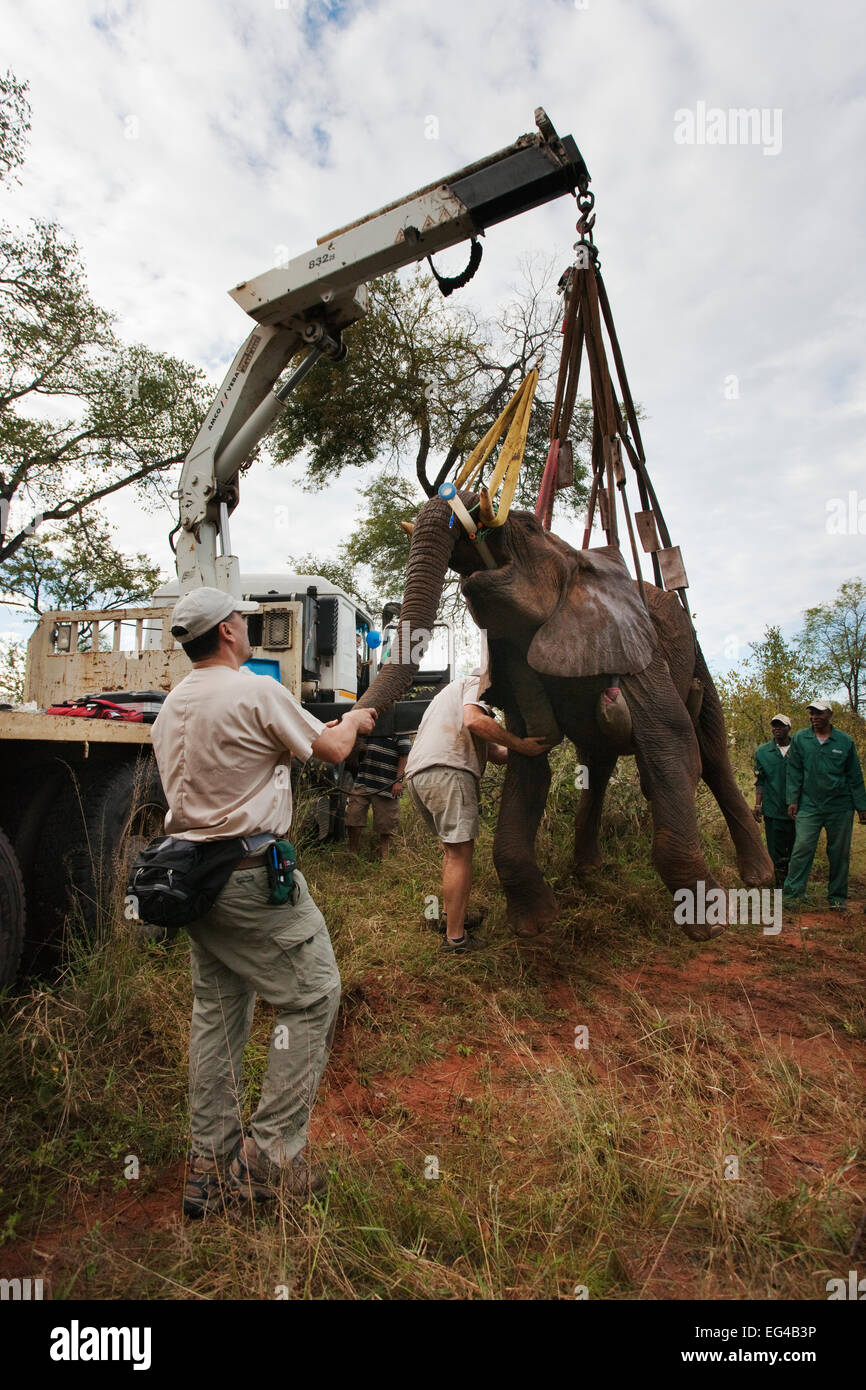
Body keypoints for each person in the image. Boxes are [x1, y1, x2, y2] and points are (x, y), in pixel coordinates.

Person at [151, 587, 376, 1217]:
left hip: (194, 881)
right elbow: (330, 749)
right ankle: (270, 1159)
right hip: (253, 876)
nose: (248, 629)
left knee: (217, 1016)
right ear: (226, 631)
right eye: (243, 622)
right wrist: (355, 720)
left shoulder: (172, 706)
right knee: (315, 994)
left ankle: (208, 1168)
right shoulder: (254, 690)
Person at [404, 671, 550, 953]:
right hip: (450, 771)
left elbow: (494, 752)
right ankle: (456, 940)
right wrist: (520, 743)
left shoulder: (443, 698)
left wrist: (522, 751)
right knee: (460, 855)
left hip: (420, 776)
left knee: (451, 851)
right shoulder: (477, 683)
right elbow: (474, 720)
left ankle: (449, 918)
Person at [783, 699, 866, 912]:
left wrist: (861, 806)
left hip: (840, 806)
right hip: (809, 805)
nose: (814, 717)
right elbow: (794, 771)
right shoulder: (801, 738)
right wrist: (792, 800)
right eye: (811, 713)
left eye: (819, 713)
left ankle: (837, 898)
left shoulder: (844, 741)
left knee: (839, 853)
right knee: (802, 848)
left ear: (830, 714)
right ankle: (793, 896)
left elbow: (854, 776)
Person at [345, 732, 411, 859]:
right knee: (353, 816)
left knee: (387, 823)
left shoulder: (399, 729)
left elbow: (405, 755)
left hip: (386, 783)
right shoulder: (370, 725)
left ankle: (385, 858)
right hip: (363, 780)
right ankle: (352, 853)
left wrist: (398, 781)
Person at [753, 713, 796, 885]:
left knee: (795, 849)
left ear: (788, 728)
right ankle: (778, 884)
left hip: (797, 811)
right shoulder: (763, 752)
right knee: (775, 850)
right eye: (774, 725)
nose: (776, 728)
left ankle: (793, 884)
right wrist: (757, 804)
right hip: (773, 809)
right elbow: (760, 780)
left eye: (781, 725)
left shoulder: (799, 749)